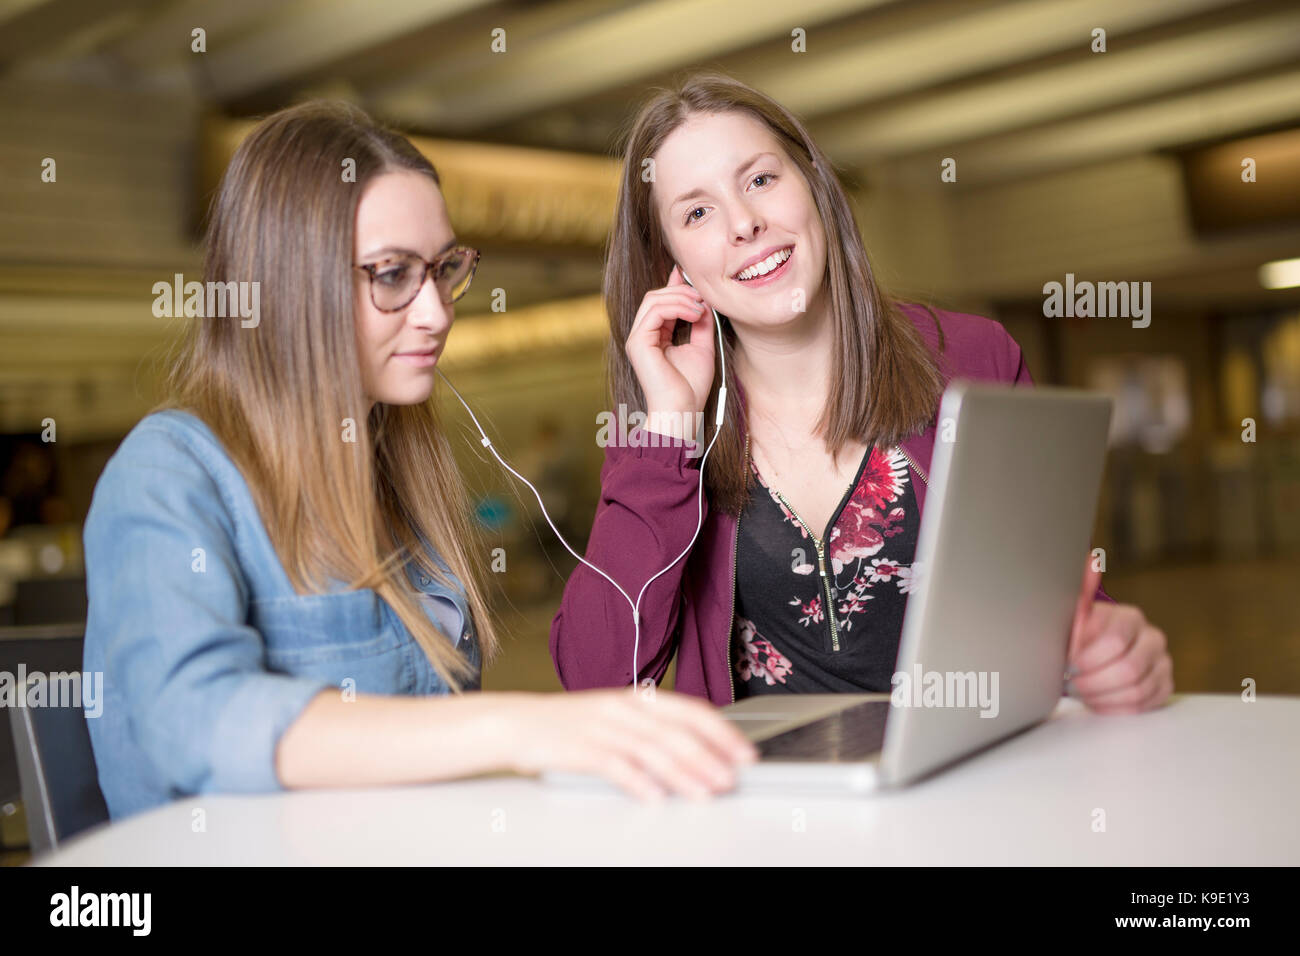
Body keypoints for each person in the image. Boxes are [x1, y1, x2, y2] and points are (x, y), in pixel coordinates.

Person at [82, 101, 756, 816]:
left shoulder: (400, 479)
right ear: (286, 285)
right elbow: (196, 721)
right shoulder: (168, 474)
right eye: (393, 274)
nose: (437, 312)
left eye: (443, 269)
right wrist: (518, 730)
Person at [550, 72, 1173, 713]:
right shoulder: (664, 429)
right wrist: (671, 427)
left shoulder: (972, 358)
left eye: (760, 179)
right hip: (764, 801)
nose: (743, 223)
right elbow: (599, 682)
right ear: (671, 266)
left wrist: (1111, 649)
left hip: (973, 783)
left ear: (815, 186)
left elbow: (1060, 604)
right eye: (697, 212)